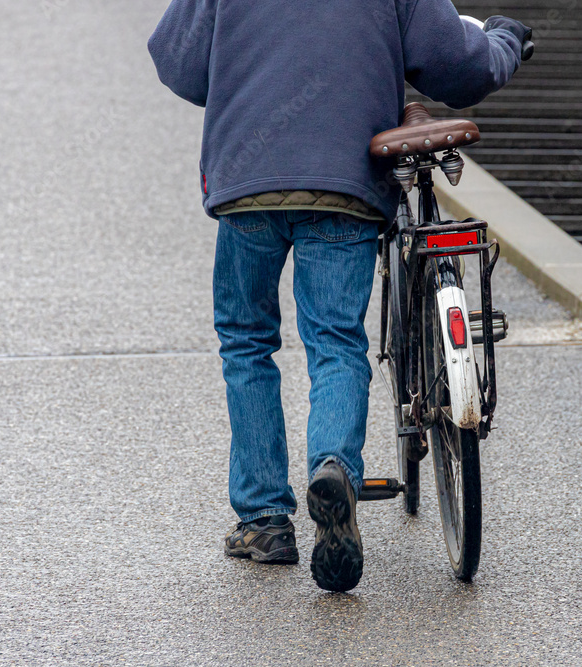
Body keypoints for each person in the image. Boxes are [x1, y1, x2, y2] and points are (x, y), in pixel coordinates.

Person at [148, 0, 529, 592]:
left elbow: (178, 62)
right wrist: (504, 41)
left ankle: (265, 519)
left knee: (247, 342)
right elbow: (457, 65)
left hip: (248, 181)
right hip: (345, 181)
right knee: (335, 342)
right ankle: (335, 471)